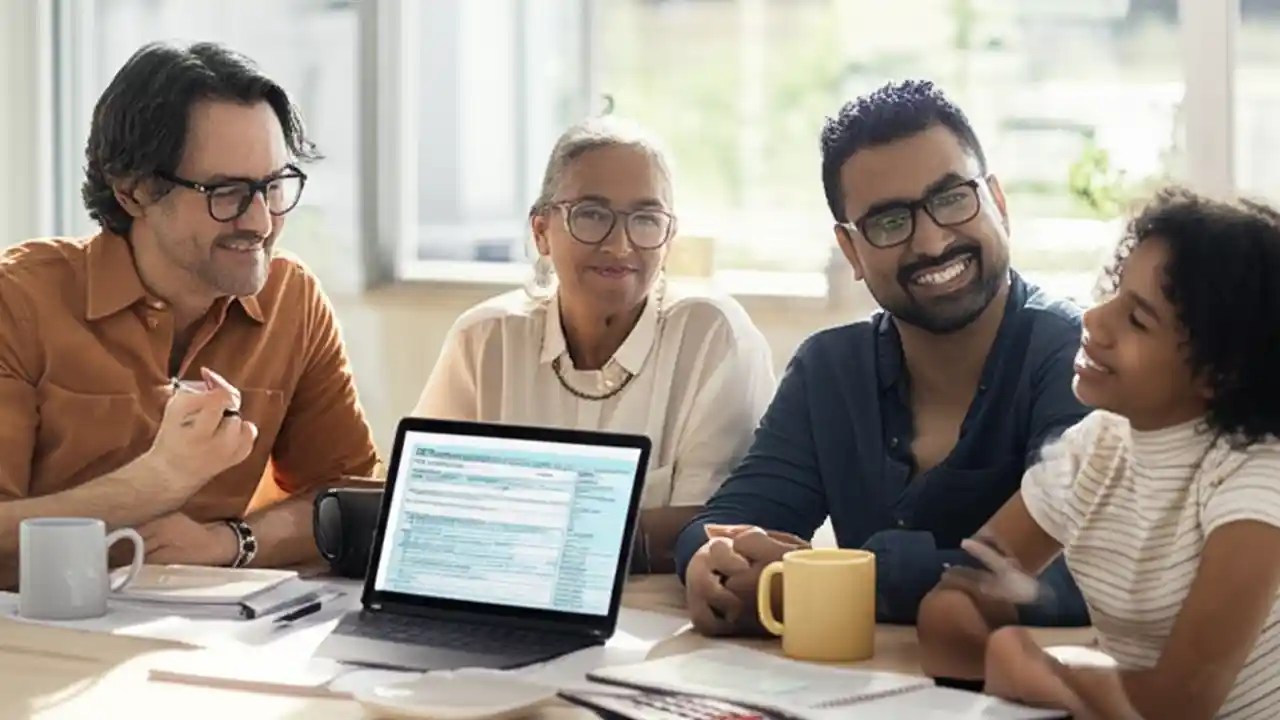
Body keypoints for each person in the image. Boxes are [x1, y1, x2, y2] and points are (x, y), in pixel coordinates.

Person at [676, 79, 1091, 631]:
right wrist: (712, 563)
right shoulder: (830, 370)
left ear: (999, 203)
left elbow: (1081, 576)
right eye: (890, 222)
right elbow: (725, 524)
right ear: (850, 249)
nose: (931, 242)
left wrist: (839, 580)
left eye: (951, 199)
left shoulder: (1078, 358)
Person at [0, 42, 380, 588]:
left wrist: (232, 543)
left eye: (273, 186)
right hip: (37, 642)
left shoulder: (290, 299)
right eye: (225, 191)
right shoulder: (20, 301)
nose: (260, 221)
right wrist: (155, 481)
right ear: (133, 191)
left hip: (212, 636)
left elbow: (354, 501)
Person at [917, 188, 1280, 719]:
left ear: (1218, 372)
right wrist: (1022, 660)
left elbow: (1181, 705)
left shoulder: (1258, 476)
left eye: (1137, 320)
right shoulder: (1095, 448)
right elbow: (947, 611)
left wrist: (1031, 664)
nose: (1094, 320)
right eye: (1115, 292)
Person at [413, 116, 776, 574]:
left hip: (661, 623)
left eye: (646, 220)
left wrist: (519, 530)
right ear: (542, 232)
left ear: (669, 239)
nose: (620, 244)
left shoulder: (712, 336)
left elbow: (712, 529)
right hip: (497, 603)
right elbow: (425, 512)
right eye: (591, 214)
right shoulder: (485, 340)